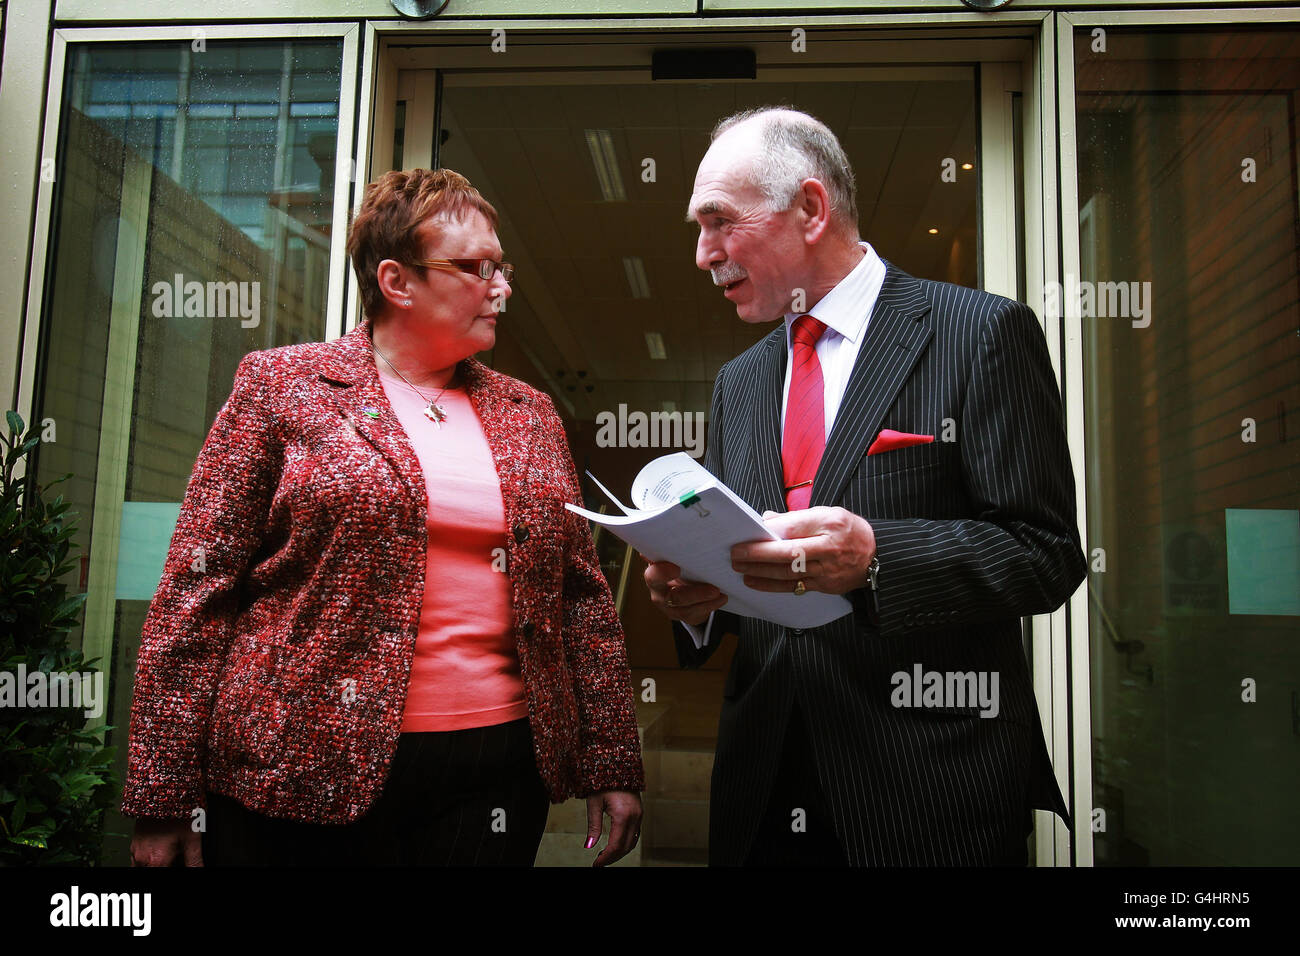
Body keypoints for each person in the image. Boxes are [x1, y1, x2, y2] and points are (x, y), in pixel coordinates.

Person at [123, 167, 644, 867]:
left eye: (502, 266)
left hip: (493, 772)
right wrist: (163, 795)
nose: (502, 287)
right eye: (474, 268)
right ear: (397, 281)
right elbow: (196, 589)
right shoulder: (282, 386)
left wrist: (611, 761)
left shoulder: (530, 413)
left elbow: (579, 598)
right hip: (295, 767)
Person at [644, 107, 1086, 866]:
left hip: (929, 794)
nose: (701, 253)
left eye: (718, 221)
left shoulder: (978, 333)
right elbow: (743, 567)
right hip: (762, 790)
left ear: (811, 208)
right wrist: (696, 602)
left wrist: (879, 556)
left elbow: (1045, 553)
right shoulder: (739, 383)